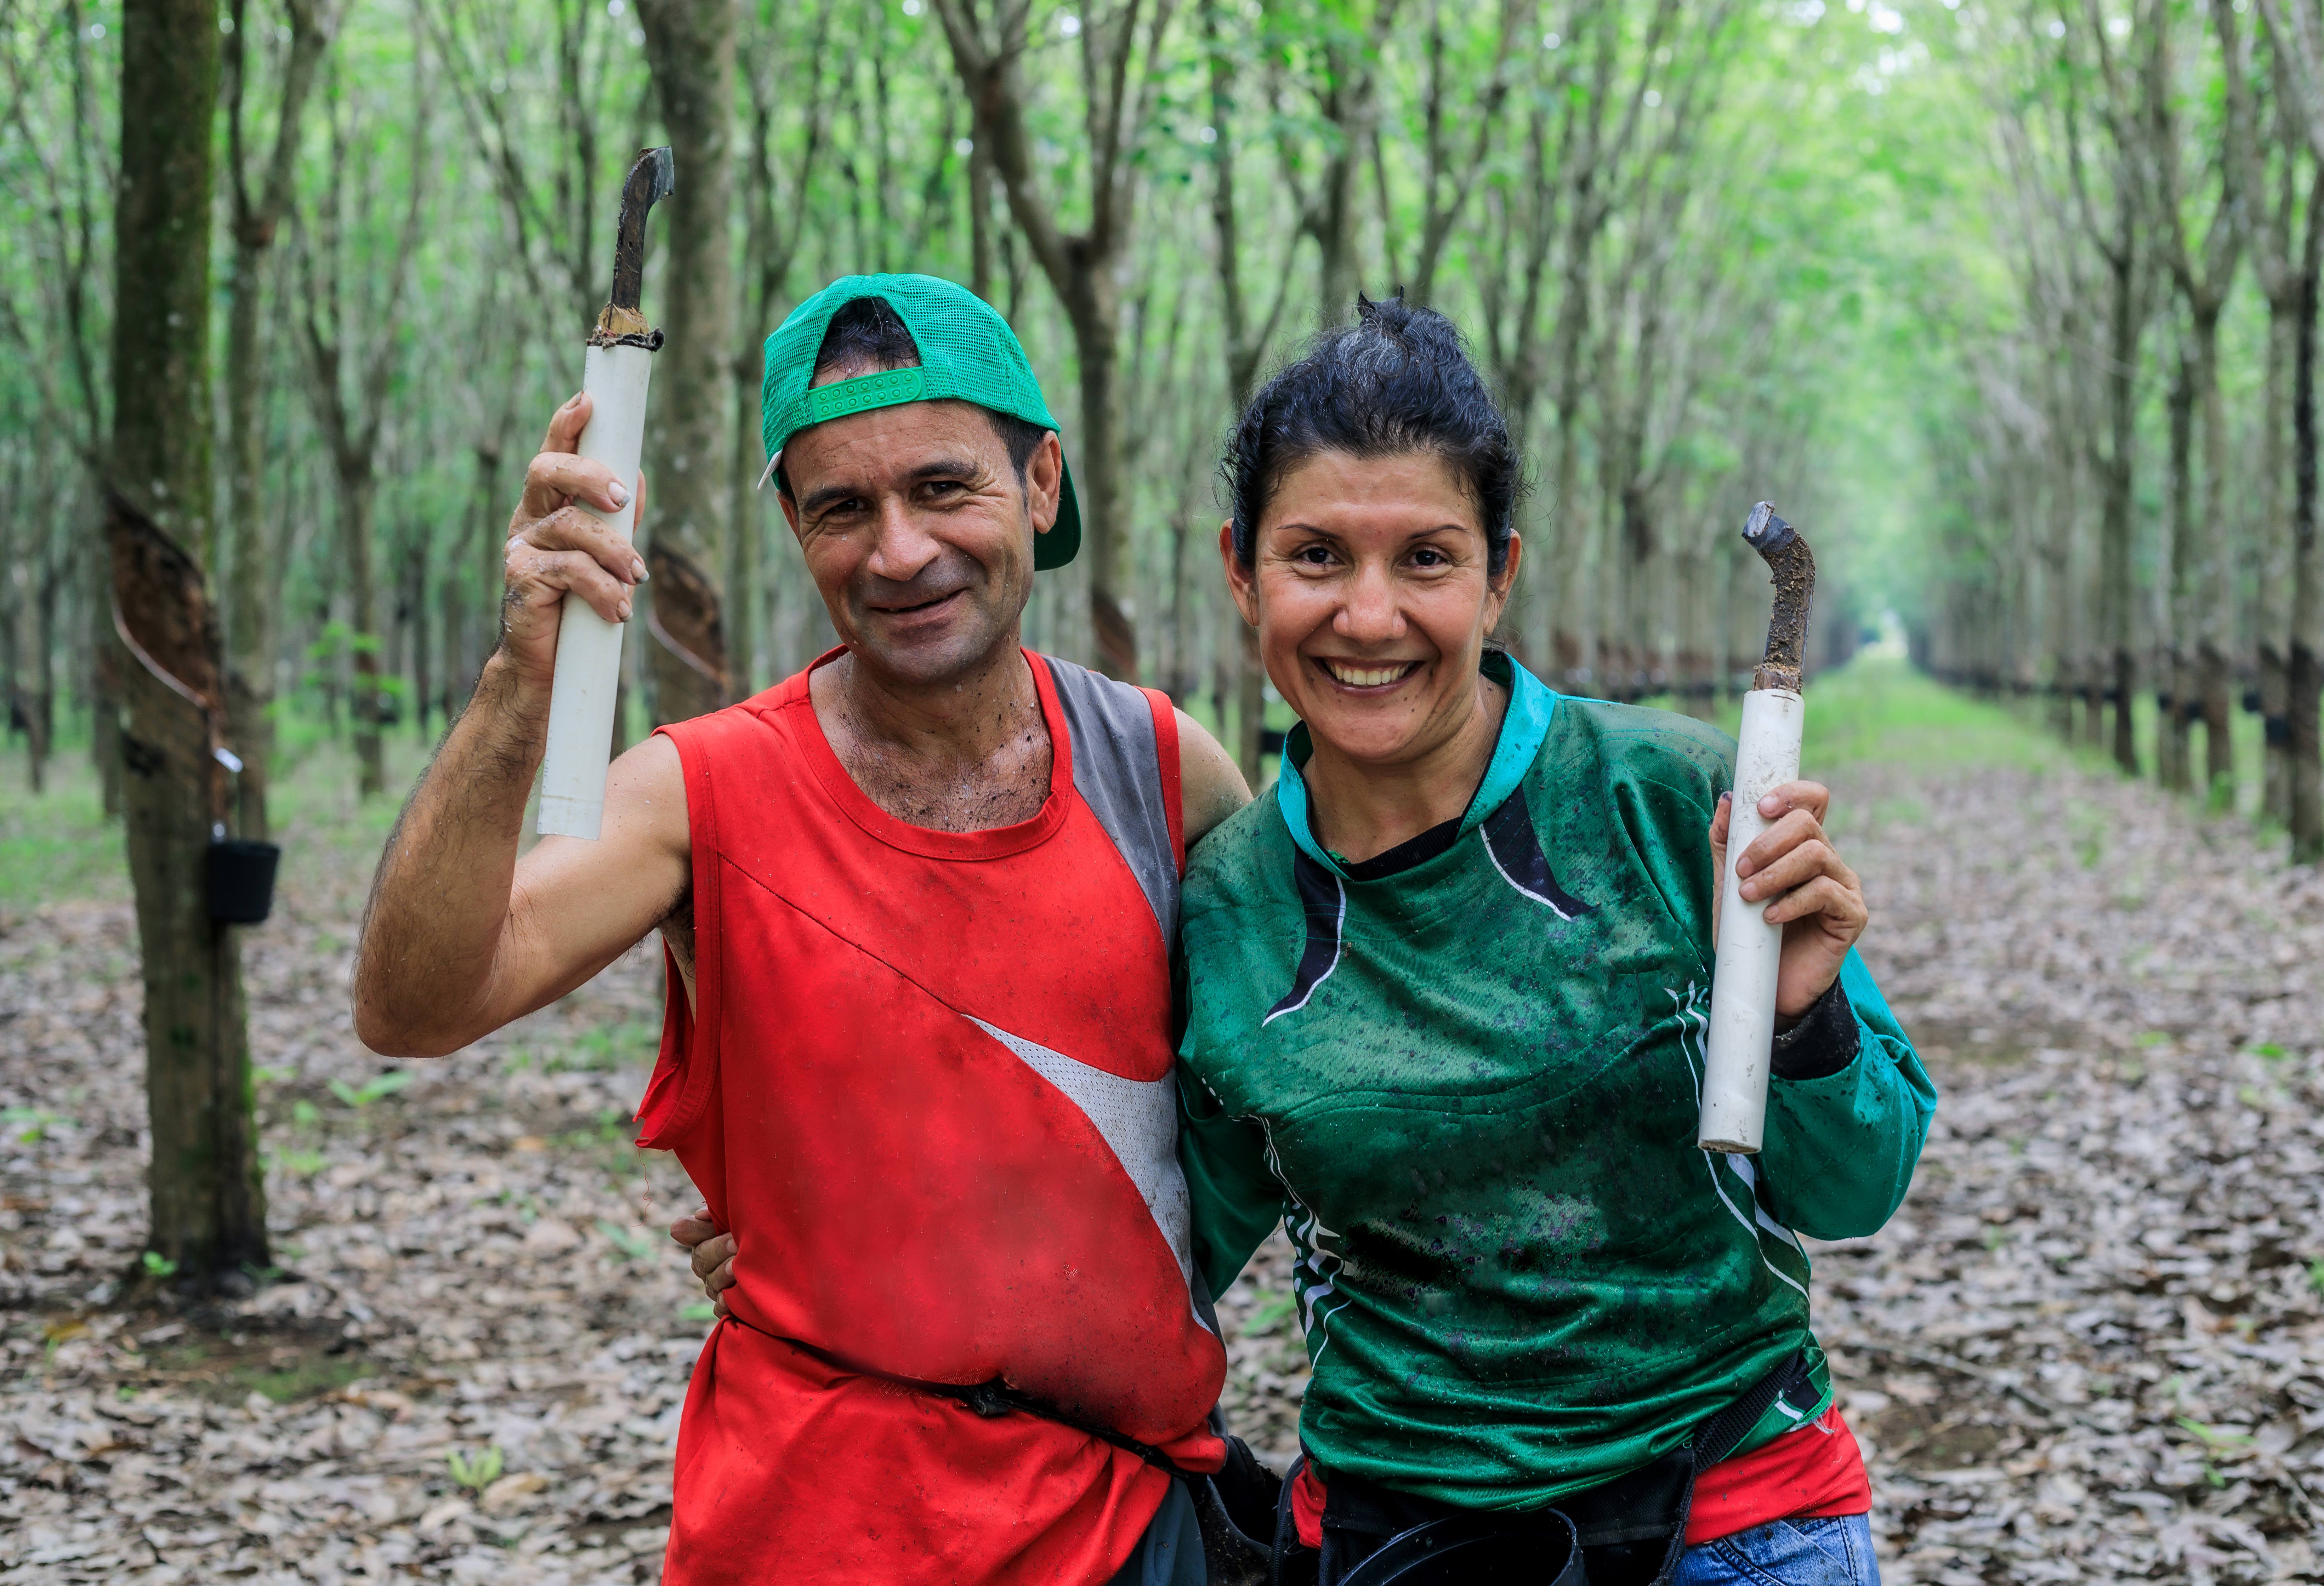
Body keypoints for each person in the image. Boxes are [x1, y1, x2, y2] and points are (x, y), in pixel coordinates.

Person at [353, 273, 1265, 1586]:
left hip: (1128, 1522)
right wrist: (522, 674)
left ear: (1045, 484)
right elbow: (415, 1007)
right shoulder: (701, 789)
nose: (898, 552)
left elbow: (1304, 1082)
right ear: (794, 525)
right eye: (843, 507)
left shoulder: (1165, 771)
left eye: (945, 487)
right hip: (814, 1529)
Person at [1170, 297, 1936, 1586]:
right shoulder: (1226, 909)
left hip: (1737, 1510)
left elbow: (1857, 1190)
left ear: (1499, 574)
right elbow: (1163, 1239)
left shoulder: (1675, 798)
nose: (1369, 617)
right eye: (1315, 558)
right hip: (1397, 1529)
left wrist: (1806, 1018)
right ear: (1241, 572)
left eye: (1426, 558)